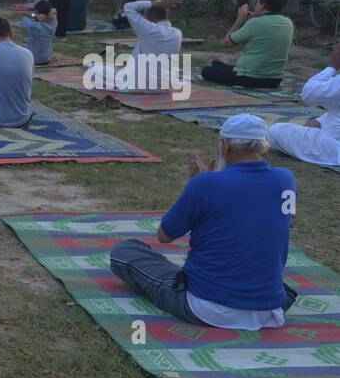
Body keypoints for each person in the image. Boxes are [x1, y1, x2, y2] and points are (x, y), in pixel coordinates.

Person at [109, 114, 297, 330]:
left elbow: (165, 235)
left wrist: (198, 184)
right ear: (264, 146)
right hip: (270, 307)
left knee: (126, 251)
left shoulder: (205, 183)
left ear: (225, 146)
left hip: (207, 307)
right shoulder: (286, 179)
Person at [85, 0, 184, 91]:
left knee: (93, 70)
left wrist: (156, 4)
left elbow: (128, 7)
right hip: (164, 86)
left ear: (149, 15)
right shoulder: (177, 33)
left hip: (138, 84)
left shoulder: (149, 29)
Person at [201, 0, 294, 89]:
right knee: (216, 64)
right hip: (275, 80)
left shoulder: (256, 22)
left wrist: (239, 20)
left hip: (250, 79)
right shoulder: (288, 22)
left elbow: (228, 42)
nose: (255, 6)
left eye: (258, 3)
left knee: (206, 71)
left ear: (263, 5)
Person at [267, 42, 340, 168]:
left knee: (276, 131)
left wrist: (332, 65)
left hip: (334, 146)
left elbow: (309, 95)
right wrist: (311, 125)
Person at [19, 0, 57, 65]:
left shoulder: (33, 26)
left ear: (37, 11)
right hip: (47, 58)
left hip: (33, 59)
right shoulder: (54, 22)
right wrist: (41, 16)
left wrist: (34, 15)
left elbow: (23, 15)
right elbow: (54, 11)